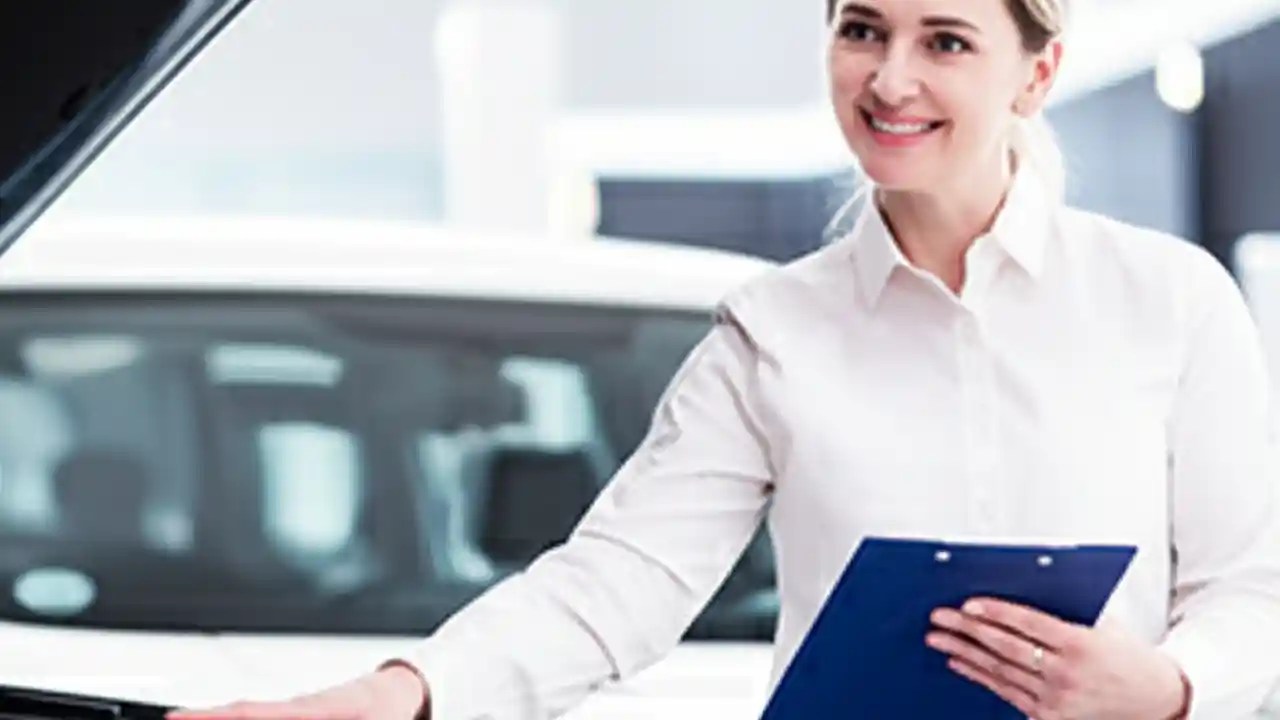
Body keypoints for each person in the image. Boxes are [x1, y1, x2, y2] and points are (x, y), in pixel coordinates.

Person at [169, 0, 1280, 718]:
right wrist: (398, 693)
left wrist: (1171, 688)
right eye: (860, 29)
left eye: (943, 40)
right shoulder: (773, 330)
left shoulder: (1167, 300)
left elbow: (1253, 588)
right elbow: (618, 582)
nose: (888, 80)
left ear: (1032, 76)